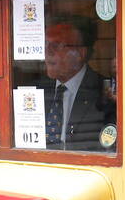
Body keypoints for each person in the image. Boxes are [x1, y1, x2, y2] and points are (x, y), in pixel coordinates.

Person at [43, 20, 111, 150]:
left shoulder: (102, 90)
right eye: (46, 44)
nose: (48, 51)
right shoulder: (37, 88)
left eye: (57, 45)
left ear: (80, 53)